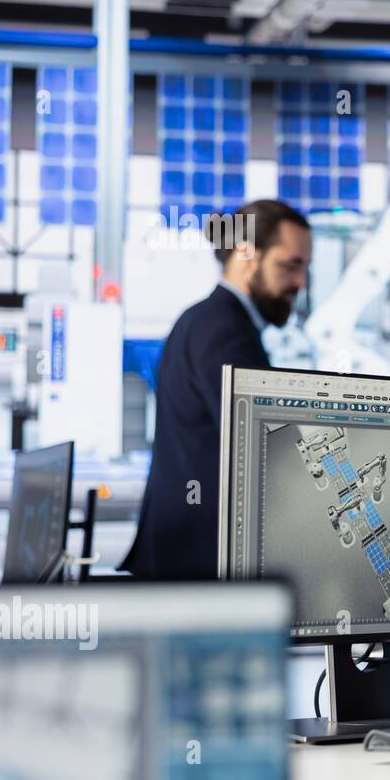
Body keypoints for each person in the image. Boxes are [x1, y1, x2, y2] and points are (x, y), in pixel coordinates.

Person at [122, 199, 311, 579]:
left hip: (182, 556)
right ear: (246, 255)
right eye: (290, 266)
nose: (300, 283)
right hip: (197, 567)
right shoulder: (224, 331)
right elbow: (268, 443)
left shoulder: (204, 319)